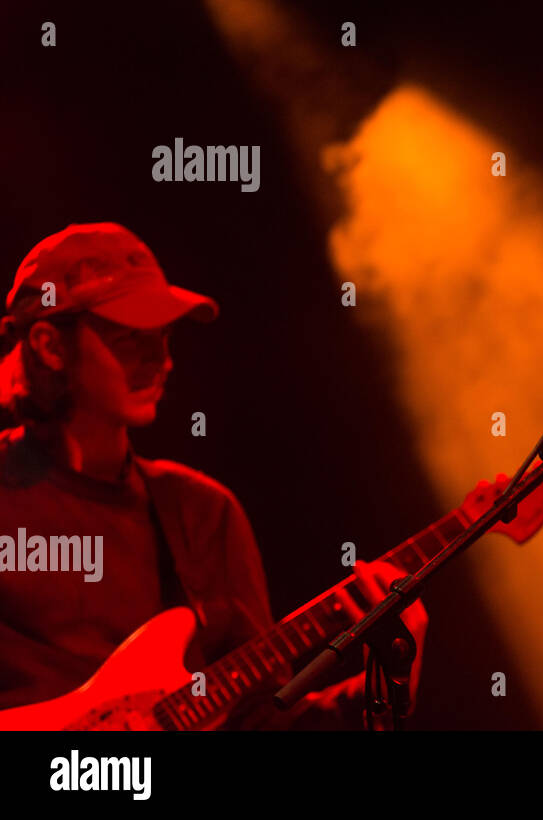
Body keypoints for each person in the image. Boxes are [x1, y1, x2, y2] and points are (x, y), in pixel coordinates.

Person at [0, 222, 426, 728]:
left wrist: (391, 678)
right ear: (50, 346)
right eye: (131, 338)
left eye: (164, 336)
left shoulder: (201, 513)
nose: (162, 361)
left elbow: (261, 722)